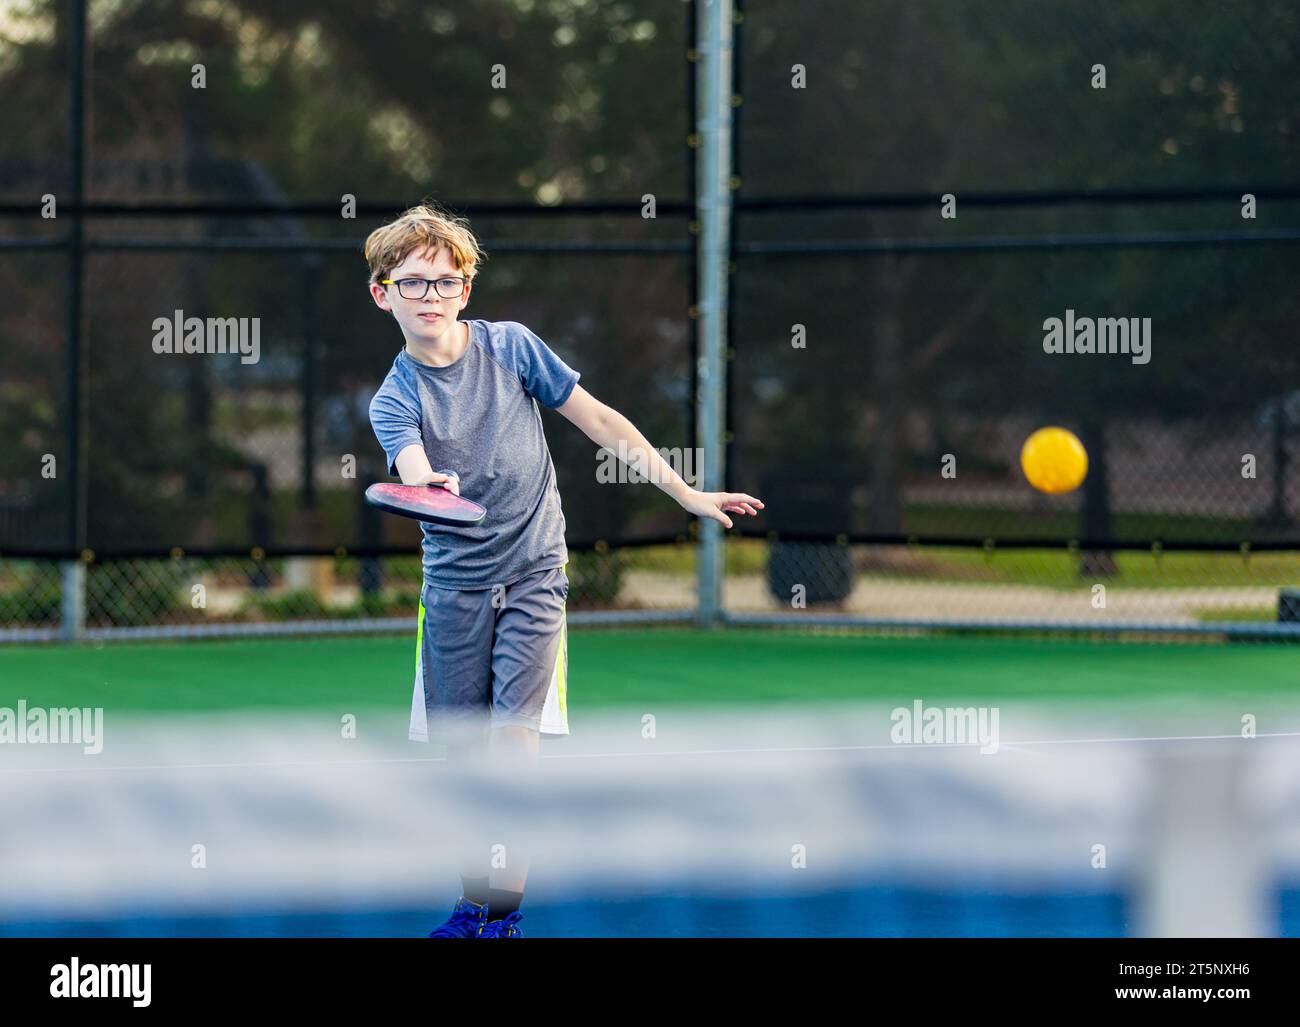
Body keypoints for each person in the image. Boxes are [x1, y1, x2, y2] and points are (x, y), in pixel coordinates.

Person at [363, 202, 762, 938]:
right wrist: (432, 487)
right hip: (453, 588)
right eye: (413, 283)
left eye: (445, 283)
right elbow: (412, 464)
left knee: (514, 743)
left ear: (466, 292)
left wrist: (685, 491)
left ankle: (503, 917)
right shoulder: (395, 397)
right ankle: (470, 902)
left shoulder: (512, 348)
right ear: (383, 292)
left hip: (536, 572)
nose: (431, 297)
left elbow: (601, 420)